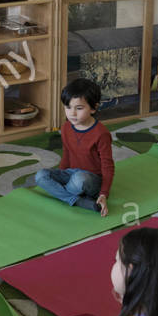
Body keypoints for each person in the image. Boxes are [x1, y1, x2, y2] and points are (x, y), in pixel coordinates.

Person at [35, 77, 115, 216]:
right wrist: (61, 174)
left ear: (94, 108)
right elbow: (67, 153)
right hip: (71, 173)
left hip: (90, 179)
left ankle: (64, 194)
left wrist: (103, 194)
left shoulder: (101, 134)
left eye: (79, 108)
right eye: (68, 107)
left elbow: (107, 165)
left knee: (79, 179)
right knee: (40, 176)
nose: (72, 113)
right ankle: (75, 200)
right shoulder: (66, 127)